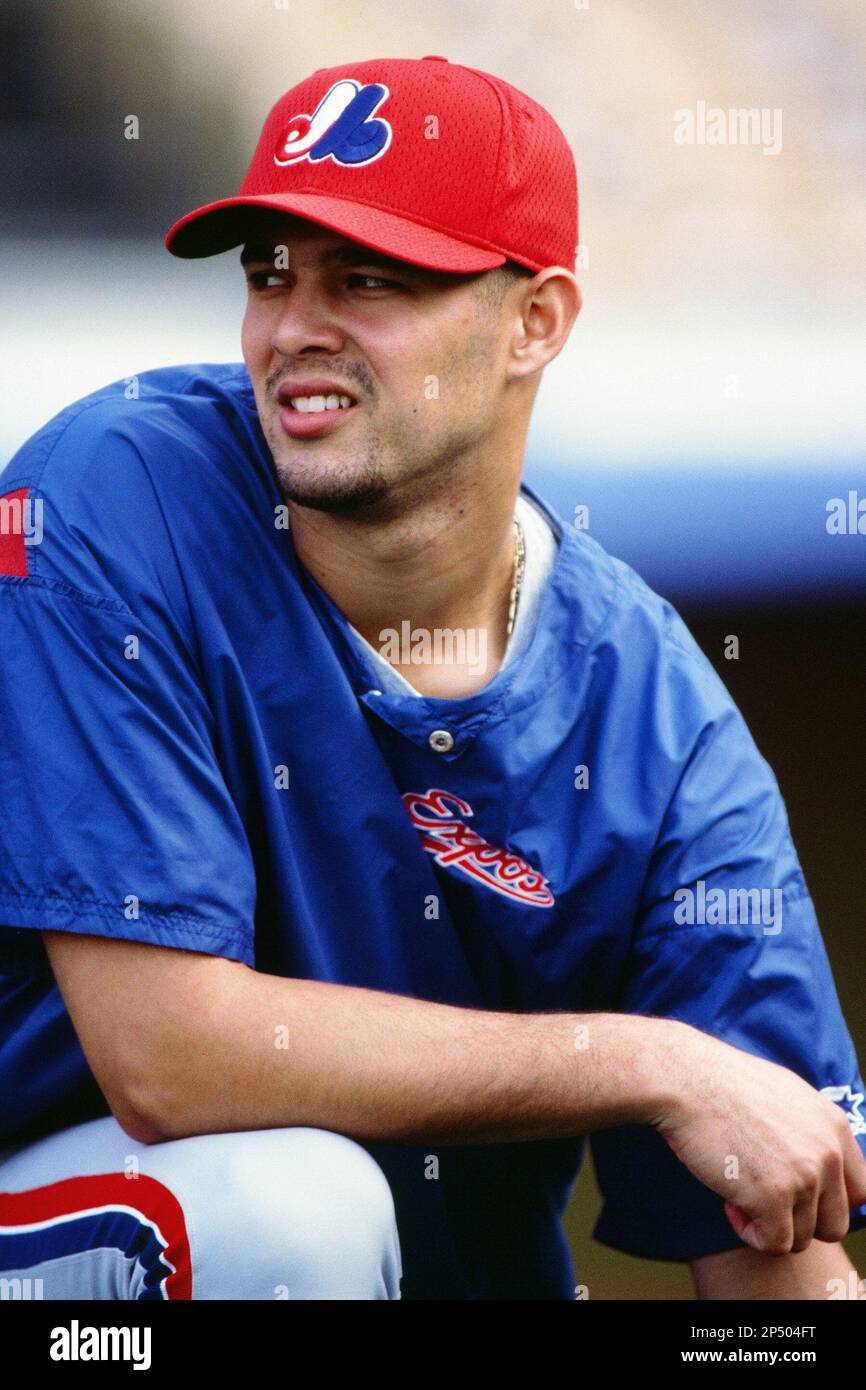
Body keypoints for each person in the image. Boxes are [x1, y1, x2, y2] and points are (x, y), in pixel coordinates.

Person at [0, 55, 864, 1303]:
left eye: (367, 278)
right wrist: (647, 1061)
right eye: (268, 275)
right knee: (293, 1214)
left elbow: (770, 1251)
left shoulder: (652, 705)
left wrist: (684, 1077)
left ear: (535, 321)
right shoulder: (103, 498)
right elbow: (168, 1063)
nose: (294, 324)